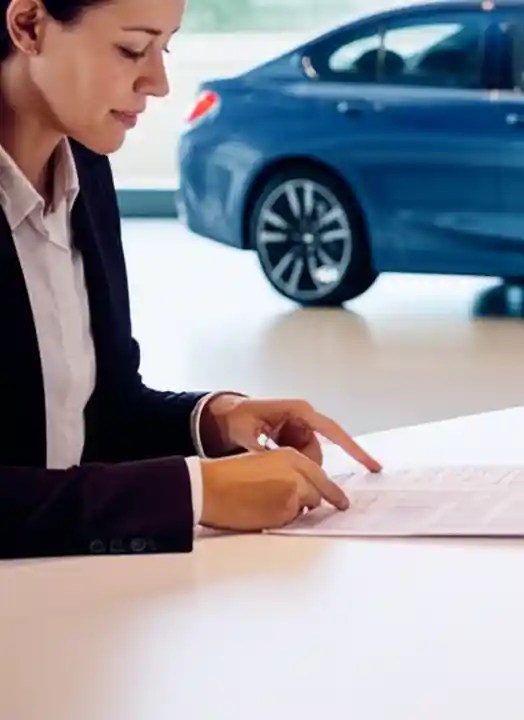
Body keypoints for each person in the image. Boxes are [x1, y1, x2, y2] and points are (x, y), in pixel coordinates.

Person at [0, 0, 382, 560]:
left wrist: (214, 421)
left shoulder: (84, 169)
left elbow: (96, 417)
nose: (157, 82)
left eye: (166, 47)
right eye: (133, 48)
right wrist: (197, 491)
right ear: (29, 25)